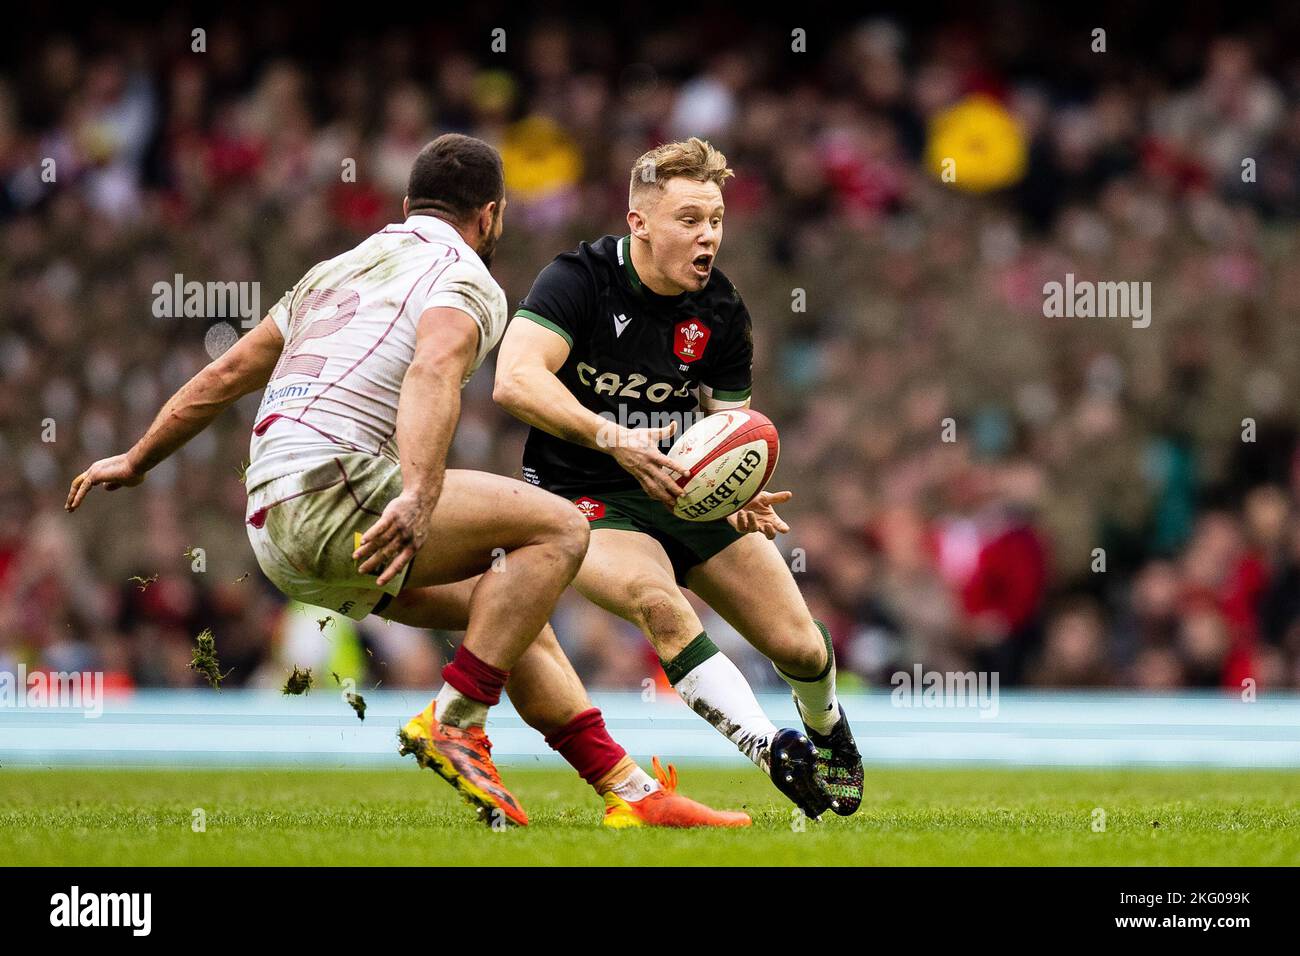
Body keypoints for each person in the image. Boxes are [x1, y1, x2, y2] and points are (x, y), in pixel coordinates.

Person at [66, 133, 749, 830]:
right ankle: (455, 721)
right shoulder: (467, 276)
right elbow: (433, 368)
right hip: (342, 489)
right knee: (561, 527)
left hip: (273, 523)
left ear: (405, 207)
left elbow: (224, 376)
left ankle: (629, 791)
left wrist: (137, 458)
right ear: (492, 216)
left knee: (508, 606)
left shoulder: (332, 270)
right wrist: (420, 495)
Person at [494, 137, 864, 818]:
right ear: (640, 223)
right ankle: (772, 748)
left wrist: (741, 493)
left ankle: (827, 728)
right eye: (690, 220)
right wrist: (612, 437)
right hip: (582, 497)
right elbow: (514, 379)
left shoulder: (721, 313)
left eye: (716, 220)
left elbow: (728, 430)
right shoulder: (577, 279)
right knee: (660, 607)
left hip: (680, 494)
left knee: (801, 646)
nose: (709, 236)